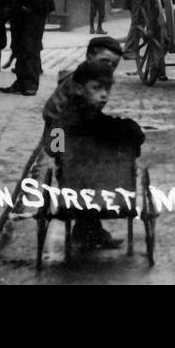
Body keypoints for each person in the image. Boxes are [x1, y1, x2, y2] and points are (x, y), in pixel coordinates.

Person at [46, 59, 144, 251]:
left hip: (74, 193)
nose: (104, 95)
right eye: (97, 88)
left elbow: (52, 149)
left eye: (107, 89)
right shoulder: (108, 125)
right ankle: (89, 229)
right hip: (110, 192)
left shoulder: (62, 121)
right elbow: (136, 137)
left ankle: (87, 228)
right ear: (79, 89)